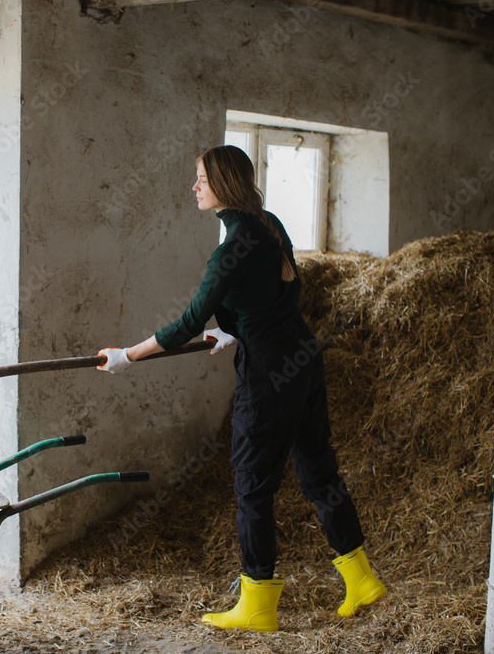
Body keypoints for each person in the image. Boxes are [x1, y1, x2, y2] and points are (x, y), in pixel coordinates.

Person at [96, 145, 385, 632]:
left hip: (271, 372)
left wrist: (128, 355)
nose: (194, 187)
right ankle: (361, 578)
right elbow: (289, 291)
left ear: (223, 185)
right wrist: (237, 328)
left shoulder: (230, 249)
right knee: (319, 472)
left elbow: (189, 322)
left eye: (201, 180)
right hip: (302, 357)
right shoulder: (268, 223)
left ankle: (257, 605)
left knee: (252, 486)